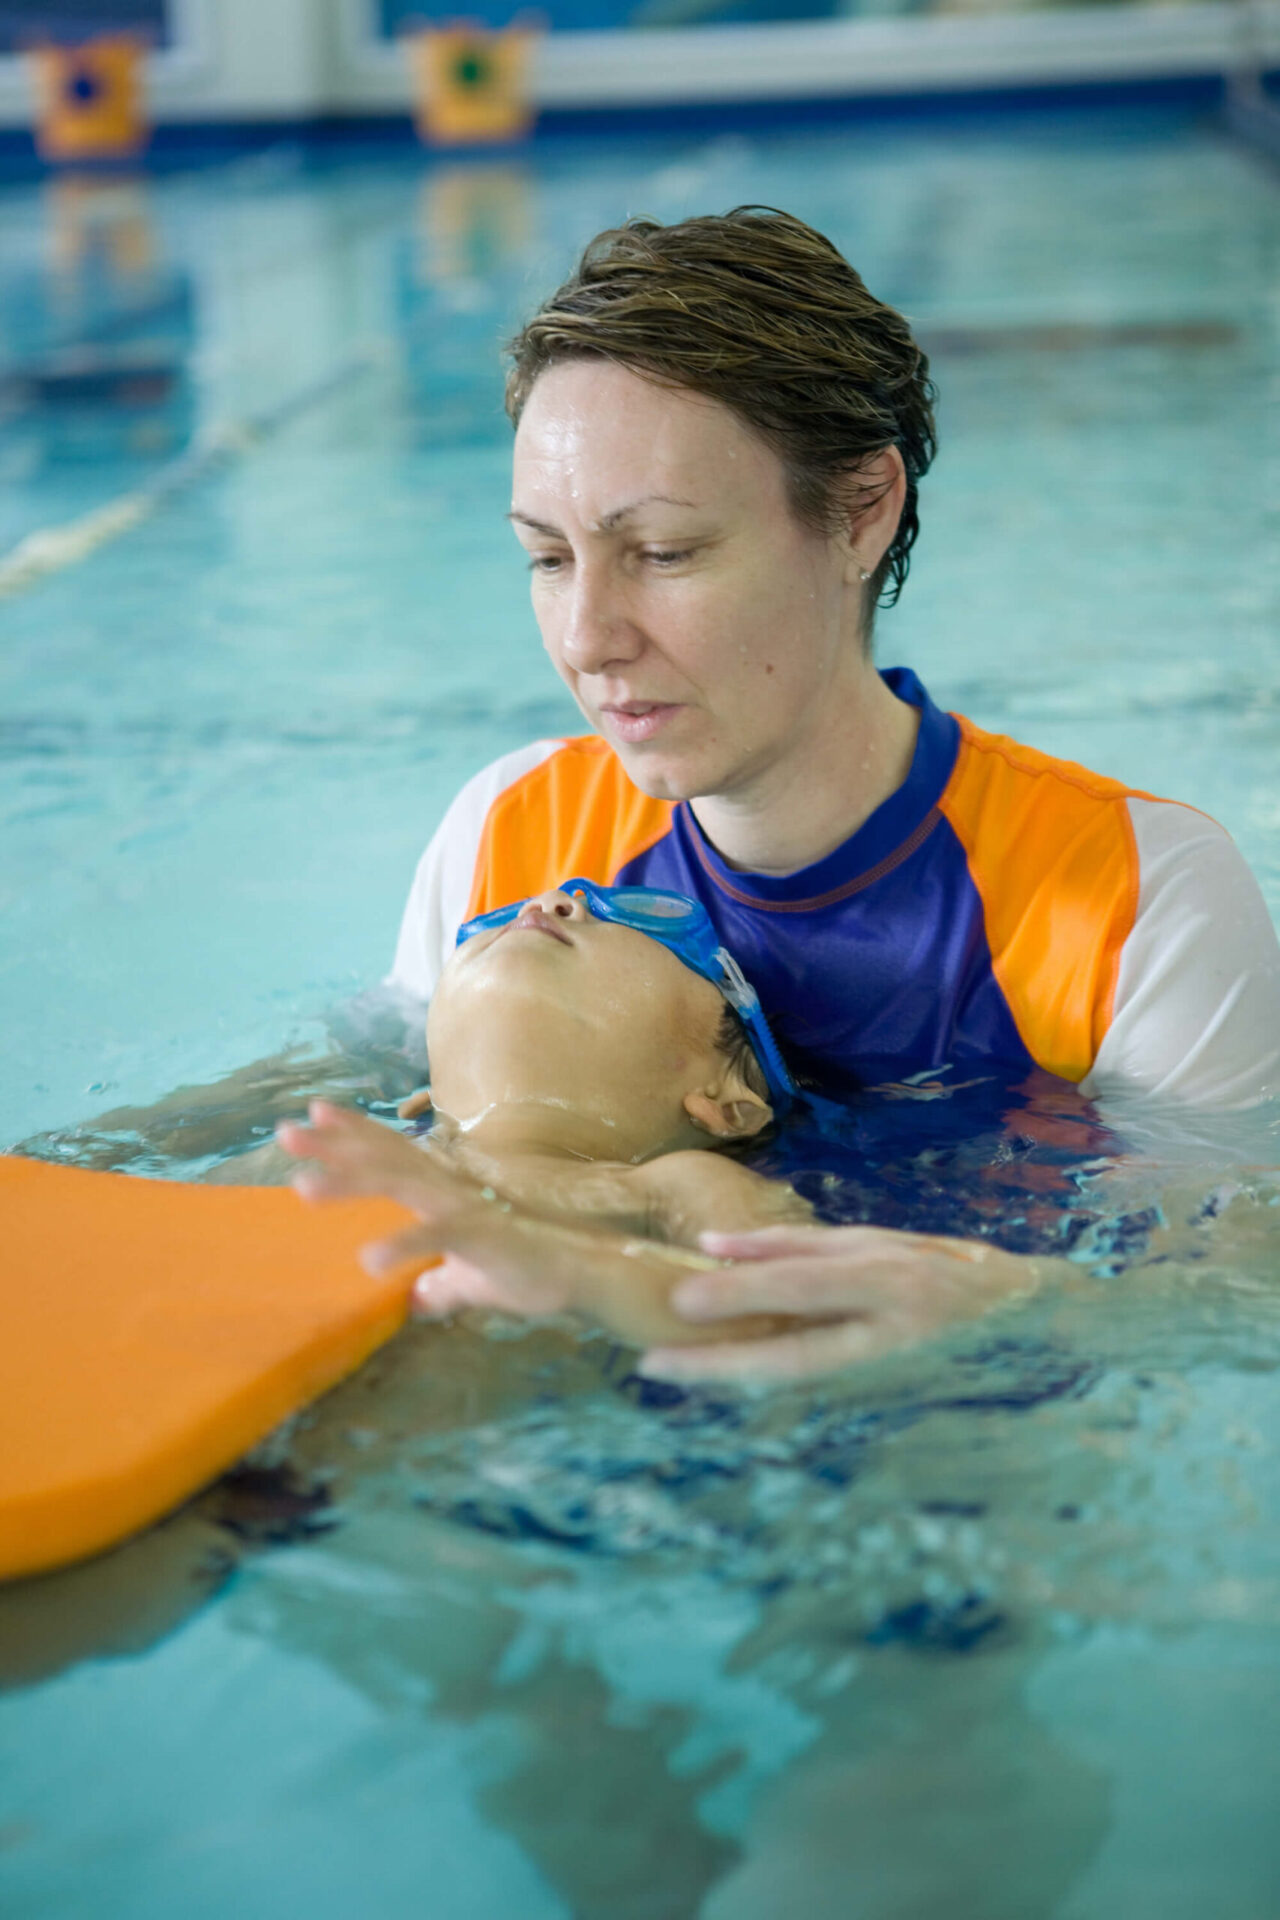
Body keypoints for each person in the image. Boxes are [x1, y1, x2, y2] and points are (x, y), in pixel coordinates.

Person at [382, 206, 1280, 1376]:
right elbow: (351, 1110)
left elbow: (1238, 1292)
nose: (587, 638)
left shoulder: (1128, 897)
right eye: (547, 559)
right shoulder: (508, 836)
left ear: (861, 511)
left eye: (660, 552)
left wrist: (1008, 1303)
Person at [279, 881, 1050, 1365]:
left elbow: (788, 1307)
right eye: (497, 914)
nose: (551, 901)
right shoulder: (340, 1145)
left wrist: (561, 1259)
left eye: (648, 926)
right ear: (421, 1095)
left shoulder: (675, 1184)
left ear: (725, 1102)